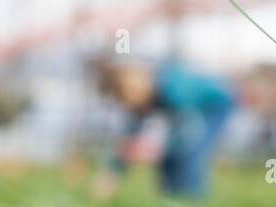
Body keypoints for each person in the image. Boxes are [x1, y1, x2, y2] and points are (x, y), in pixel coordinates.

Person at [99, 59, 236, 197]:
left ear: (135, 91)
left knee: (189, 154)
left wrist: (153, 151)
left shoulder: (172, 91)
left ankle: (193, 200)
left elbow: (186, 133)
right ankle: (169, 197)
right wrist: (112, 173)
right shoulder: (141, 101)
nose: (127, 108)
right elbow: (129, 139)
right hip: (187, 117)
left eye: (125, 101)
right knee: (170, 160)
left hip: (214, 107)